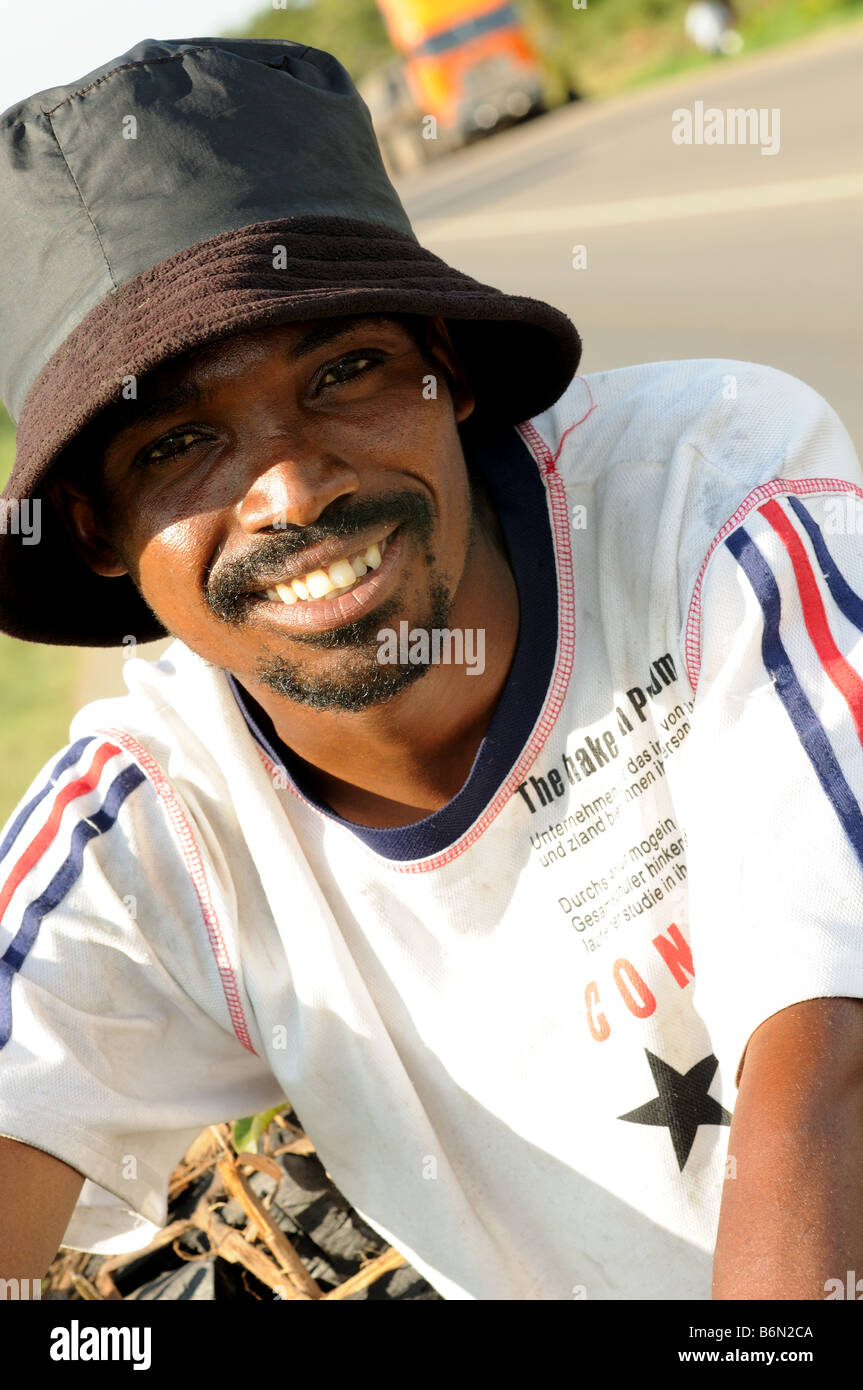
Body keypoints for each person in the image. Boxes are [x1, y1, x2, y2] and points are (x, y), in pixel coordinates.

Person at [1, 35, 862, 1302]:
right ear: (97, 531)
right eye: (179, 442)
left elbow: (827, 1067)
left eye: (343, 371)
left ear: (443, 366)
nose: (291, 487)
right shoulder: (145, 834)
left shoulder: (708, 506)